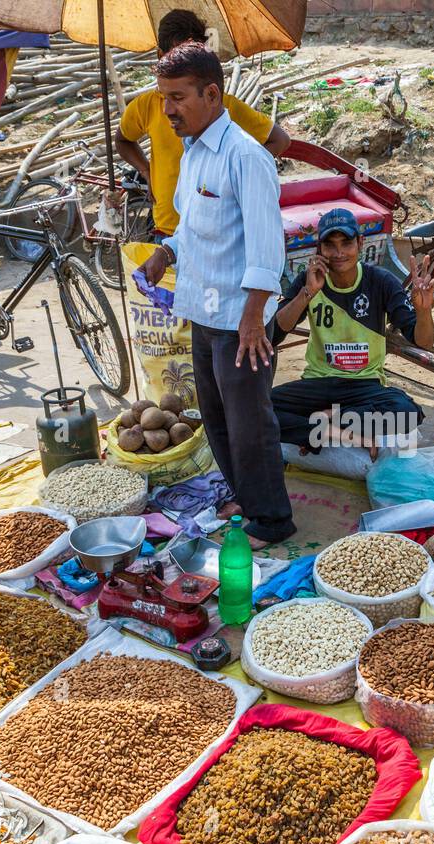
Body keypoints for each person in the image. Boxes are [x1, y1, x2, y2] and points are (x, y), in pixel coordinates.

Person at [139, 42, 294, 548]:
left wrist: (253, 319)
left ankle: (271, 520)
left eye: (177, 97)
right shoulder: (193, 153)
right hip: (204, 311)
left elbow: (268, 247)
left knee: (251, 425)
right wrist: (168, 251)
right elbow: (196, 227)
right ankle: (245, 498)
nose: (167, 110)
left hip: (240, 320)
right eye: (163, 97)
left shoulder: (246, 156)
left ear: (211, 93)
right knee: (217, 419)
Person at [271, 208, 434, 461]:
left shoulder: (381, 281)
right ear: (319, 249)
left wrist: (423, 311)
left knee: (407, 412)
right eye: (330, 245)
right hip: (318, 382)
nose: (338, 253)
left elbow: (422, 341)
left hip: (364, 385)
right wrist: (308, 292)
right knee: (256, 409)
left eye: (346, 243)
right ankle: (334, 432)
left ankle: (323, 422)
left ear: (360, 243)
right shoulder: (309, 279)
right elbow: (275, 334)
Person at [115, 9, 290, 238]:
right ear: (161, 56)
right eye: (178, 58)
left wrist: (240, 181)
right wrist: (148, 173)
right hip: (168, 228)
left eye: (195, 57)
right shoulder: (148, 108)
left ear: (211, 95)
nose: (168, 111)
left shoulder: (231, 118)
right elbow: (123, 139)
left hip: (218, 233)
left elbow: (279, 140)